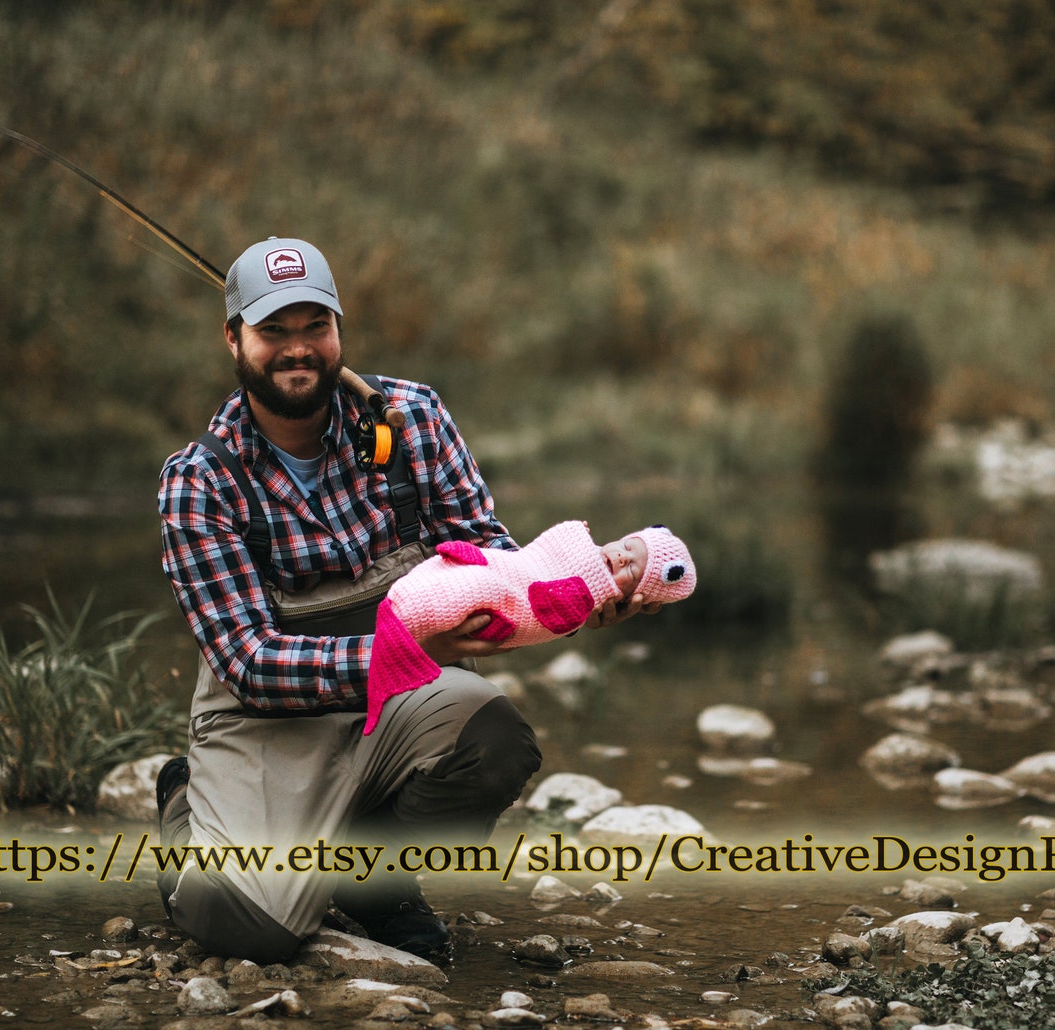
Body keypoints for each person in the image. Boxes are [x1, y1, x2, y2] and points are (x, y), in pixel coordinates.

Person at [154, 236, 653, 965]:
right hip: (264, 718)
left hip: (398, 710)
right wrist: (405, 652)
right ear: (233, 338)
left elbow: (495, 562)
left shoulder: (413, 418)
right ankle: (180, 808)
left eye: (313, 327)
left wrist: (575, 593)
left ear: (339, 329)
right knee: (250, 930)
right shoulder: (199, 481)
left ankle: (372, 883)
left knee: (495, 741)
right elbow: (250, 662)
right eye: (274, 332)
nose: (298, 350)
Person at [367, 522, 696, 717]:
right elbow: (534, 564)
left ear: (631, 596)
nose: (622, 556)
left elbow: (529, 591)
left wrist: (579, 615)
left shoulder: (423, 419)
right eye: (626, 545)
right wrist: (429, 650)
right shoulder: (576, 539)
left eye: (632, 569)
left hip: (475, 604)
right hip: (354, 652)